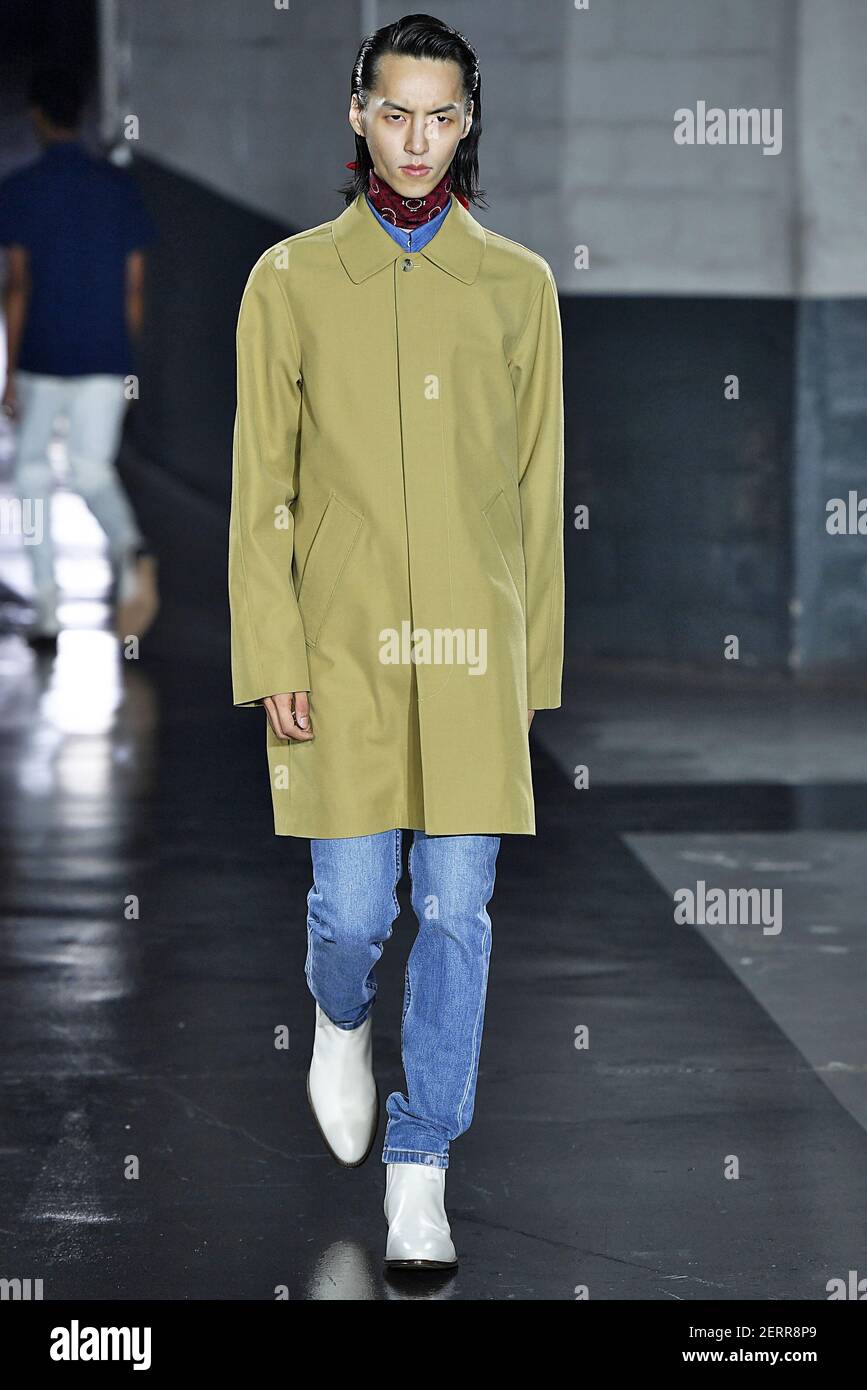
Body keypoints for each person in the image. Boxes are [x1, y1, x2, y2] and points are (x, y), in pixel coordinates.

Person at [228, 13, 564, 1271]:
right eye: (395, 111)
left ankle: (420, 1168)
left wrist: (530, 672)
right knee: (355, 911)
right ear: (357, 113)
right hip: (346, 645)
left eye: (442, 115)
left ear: (468, 121)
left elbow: (537, 495)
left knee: (460, 907)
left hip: (474, 652)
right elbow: (263, 480)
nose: (417, 140)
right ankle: (335, 1013)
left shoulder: (518, 286)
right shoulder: (291, 281)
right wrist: (276, 654)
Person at [0, 64, 159, 647]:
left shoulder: (20, 188)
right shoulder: (118, 188)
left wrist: (11, 370)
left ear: (38, 117)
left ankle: (46, 608)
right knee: (93, 471)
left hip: (44, 356)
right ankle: (127, 550)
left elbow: (18, 286)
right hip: (106, 354)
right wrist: (127, 359)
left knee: (35, 476)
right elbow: (135, 285)